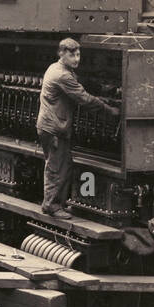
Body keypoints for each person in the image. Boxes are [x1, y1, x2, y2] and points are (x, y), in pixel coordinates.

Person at [36, 37, 119, 219]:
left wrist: (106, 89)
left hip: (52, 126)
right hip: (54, 129)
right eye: (72, 55)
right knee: (56, 167)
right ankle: (51, 206)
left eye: (78, 54)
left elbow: (81, 84)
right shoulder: (62, 75)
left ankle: (57, 204)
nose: (76, 59)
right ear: (62, 54)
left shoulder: (57, 68)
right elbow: (84, 98)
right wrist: (110, 110)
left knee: (62, 165)